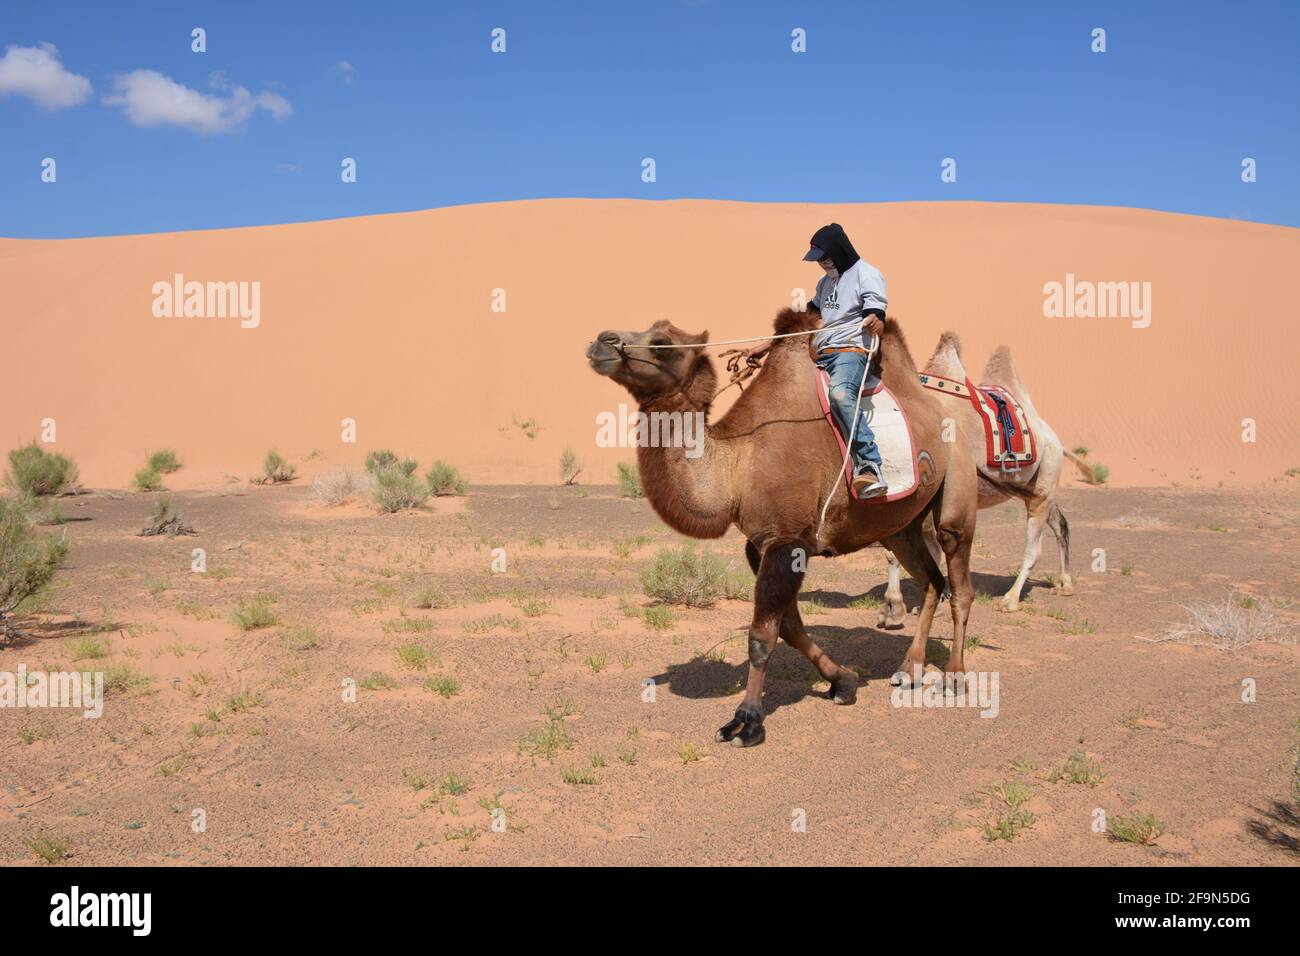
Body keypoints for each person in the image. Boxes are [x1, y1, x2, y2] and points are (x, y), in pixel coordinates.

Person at [748, 223, 888, 498]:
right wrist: (767, 345)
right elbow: (806, 321)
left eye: (825, 257)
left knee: (839, 396)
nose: (822, 264)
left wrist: (875, 321)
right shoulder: (825, 283)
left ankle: (870, 464)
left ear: (839, 251)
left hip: (851, 351)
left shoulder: (867, 274)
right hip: (823, 351)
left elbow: (877, 313)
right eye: (818, 260)